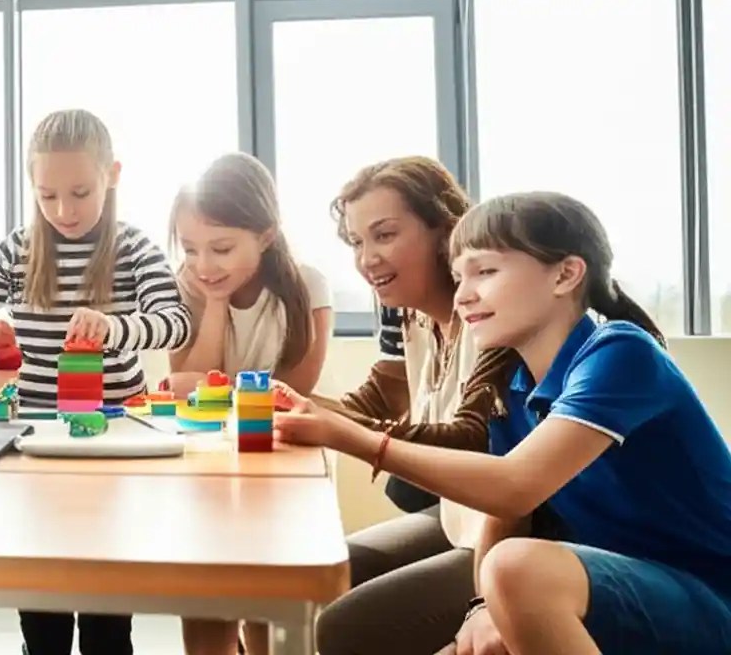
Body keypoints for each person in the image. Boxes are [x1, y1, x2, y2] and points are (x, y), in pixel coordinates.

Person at [277, 191, 731, 654]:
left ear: (566, 274)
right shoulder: (513, 385)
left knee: (516, 567)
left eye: (486, 271)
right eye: (458, 277)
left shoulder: (620, 353)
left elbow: (515, 486)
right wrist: (479, 610)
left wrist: (351, 436)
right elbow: (505, 518)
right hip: (612, 587)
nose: (463, 296)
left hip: (707, 596)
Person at [0, 108, 193, 655]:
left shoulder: (133, 249)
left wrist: (114, 326)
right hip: (34, 444)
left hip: (114, 441)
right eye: (47, 195)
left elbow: (176, 322)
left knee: (108, 612)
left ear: (113, 174)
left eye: (80, 192)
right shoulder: (17, 250)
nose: (64, 210)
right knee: (43, 608)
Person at [310, 156, 516, 655]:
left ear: (444, 230)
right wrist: (295, 404)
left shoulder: (494, 313)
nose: (367, 258)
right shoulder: (405, 314)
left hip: (513, 530)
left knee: (348, 626)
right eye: (358, 242)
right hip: (459, 515)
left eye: (384, 235)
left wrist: (342, 433)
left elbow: (475, 437)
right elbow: (377, 398)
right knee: (322, 573)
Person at [166, 152, 334, 655]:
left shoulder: (307, 287)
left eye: (220, 248)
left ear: (265, 235)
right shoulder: (189, 288)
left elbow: (291, 396)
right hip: (208, 463)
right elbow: (180, 383)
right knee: (206, 597)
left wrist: (215, 389)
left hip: (282, 463)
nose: (203, 265)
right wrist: (214, 303)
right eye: (191, 249)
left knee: (270, 603)